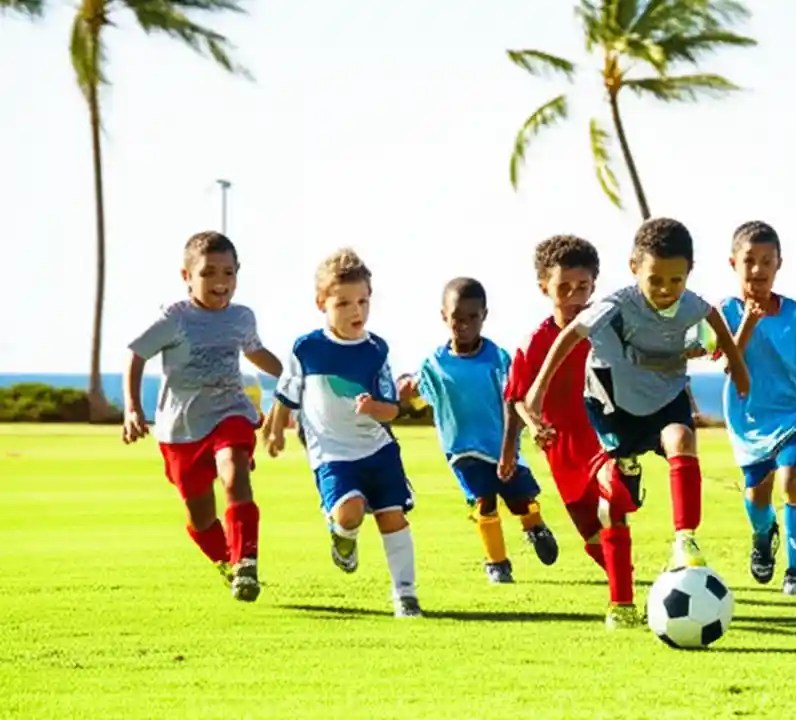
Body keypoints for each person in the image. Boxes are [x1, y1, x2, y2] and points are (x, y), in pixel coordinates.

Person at [524, 217, 750, 629]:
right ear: (634, 268)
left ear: (689, 274)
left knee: (681, 438)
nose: (666, 290)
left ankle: (685, 540)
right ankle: (621, 602)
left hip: (665, 399)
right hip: (613, 407)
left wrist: (737, 364)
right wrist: (538, 390)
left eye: (675, 280)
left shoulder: (691, 303)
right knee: (613, 501)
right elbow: (570, 336)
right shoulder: (615, 304)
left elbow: (715, 318)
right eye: (656, 279)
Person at [122, 231, 282, 602]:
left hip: (230, 413)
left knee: (235, 473)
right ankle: (227, 561)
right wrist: (132, 407)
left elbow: (254, 352)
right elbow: (136, 354)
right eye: (209, 273)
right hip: (181, 429)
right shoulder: (175, 319)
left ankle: (246, 561)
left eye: (229, 273)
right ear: (187, 277)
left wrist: (291, 374)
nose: (221, 283)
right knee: (200, 517)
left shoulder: (242, 318)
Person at [263, 248, 421, 617]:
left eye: (363, 301)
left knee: (392, 517)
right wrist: (275, 432)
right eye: (345, 303)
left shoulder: (376, 349)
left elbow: (392, 409)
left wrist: (372, 408)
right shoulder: (307, 348)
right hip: (332, 454)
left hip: (378, 450)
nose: (357, 311)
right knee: (349, 512)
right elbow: (286, 394)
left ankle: (406, 594)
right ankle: (343, 536)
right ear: (322, 303)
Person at [399, 277, 558, 584]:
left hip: (501, 446)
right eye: (458, 317)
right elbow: (419, 394)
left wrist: (530, 427)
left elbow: (515, 398)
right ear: (444, 316)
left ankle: (535, 526)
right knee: (483, 501)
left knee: (519, 501)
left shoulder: (498, 358)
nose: (465, 324)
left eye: (473, 316)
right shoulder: (434, 363)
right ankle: (497, 563)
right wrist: (405, 392)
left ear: (484, 315)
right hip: (462, 450)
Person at [719, 221, 796, 596]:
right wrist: (749, 324)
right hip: (749, 418)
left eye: (766, 261)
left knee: (790, 479)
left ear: (778, 264)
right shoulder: (725, 311)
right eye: (749, 261)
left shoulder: (795, 313)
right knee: (757, 497)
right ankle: (762, 533)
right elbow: (729, 363)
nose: (758, 269)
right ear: (733, 264)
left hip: (793, 414)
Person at [499, 235, 609, 574]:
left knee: (613, 508)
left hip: (605, 444)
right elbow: (516, 399)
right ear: (544, 287)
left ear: (594, 285)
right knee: (591, 534)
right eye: (564, 288)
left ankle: (626, 588)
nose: (575, 296)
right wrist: (514, 446)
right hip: (563, 451)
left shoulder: (606, 331)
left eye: (583, 286)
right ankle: (625, 580)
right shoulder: (534, 343)